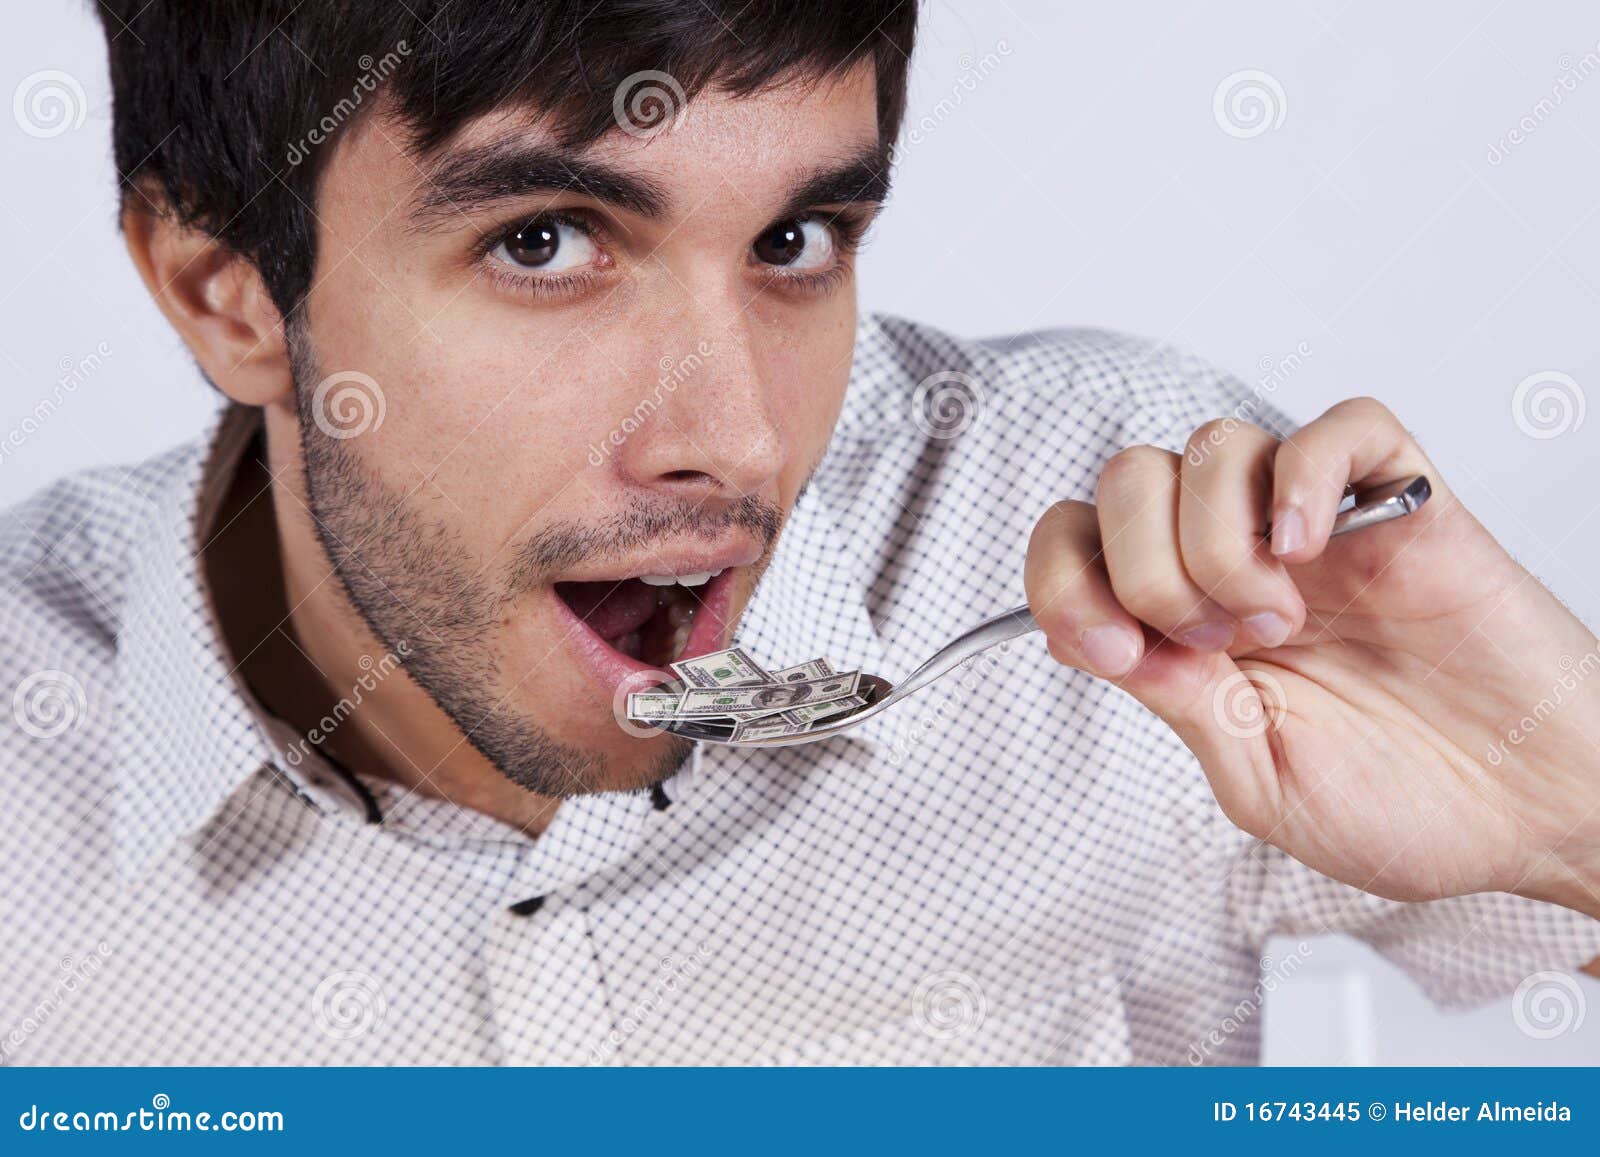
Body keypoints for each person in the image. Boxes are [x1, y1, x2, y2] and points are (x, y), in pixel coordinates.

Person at [1, 0, 1595, 1065]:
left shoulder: (1148, 568)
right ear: (225, 293)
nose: (743, 441)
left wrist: (1570, 812)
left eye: (796, 239)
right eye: (546, 242)